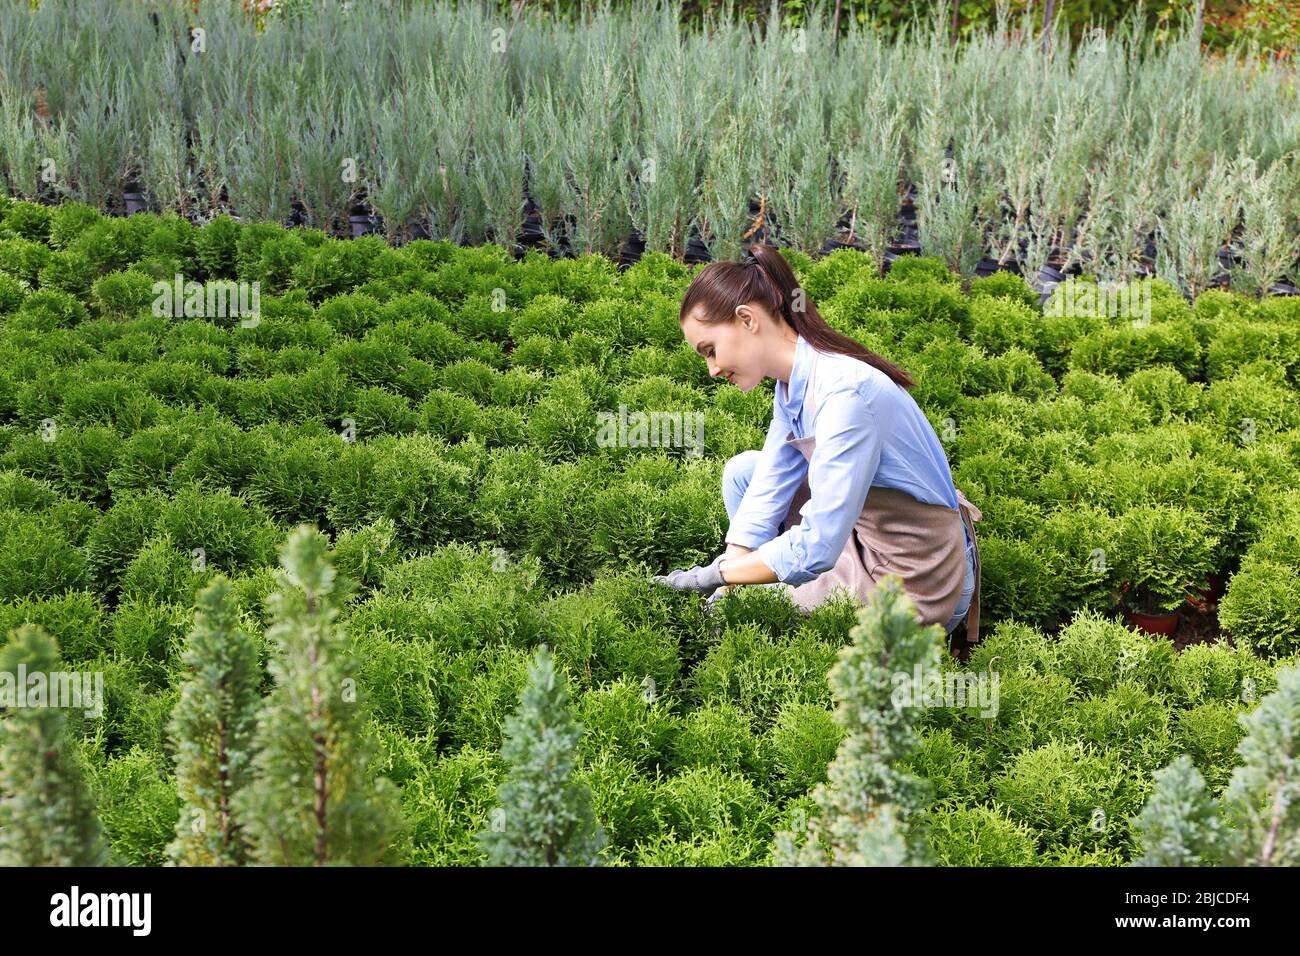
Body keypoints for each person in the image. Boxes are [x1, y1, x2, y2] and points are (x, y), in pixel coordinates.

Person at [651, 243, 983, 655]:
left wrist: (716, 578)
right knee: (744, 472)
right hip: (865, 541)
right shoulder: (792, 383)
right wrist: (728, 574)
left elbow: (817, 548)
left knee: (746, 605)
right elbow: (767, 487)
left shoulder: (846, 394)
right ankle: (768, 582)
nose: (713, 369)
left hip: (917, 583)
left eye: (710, 350)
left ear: (746, 319)